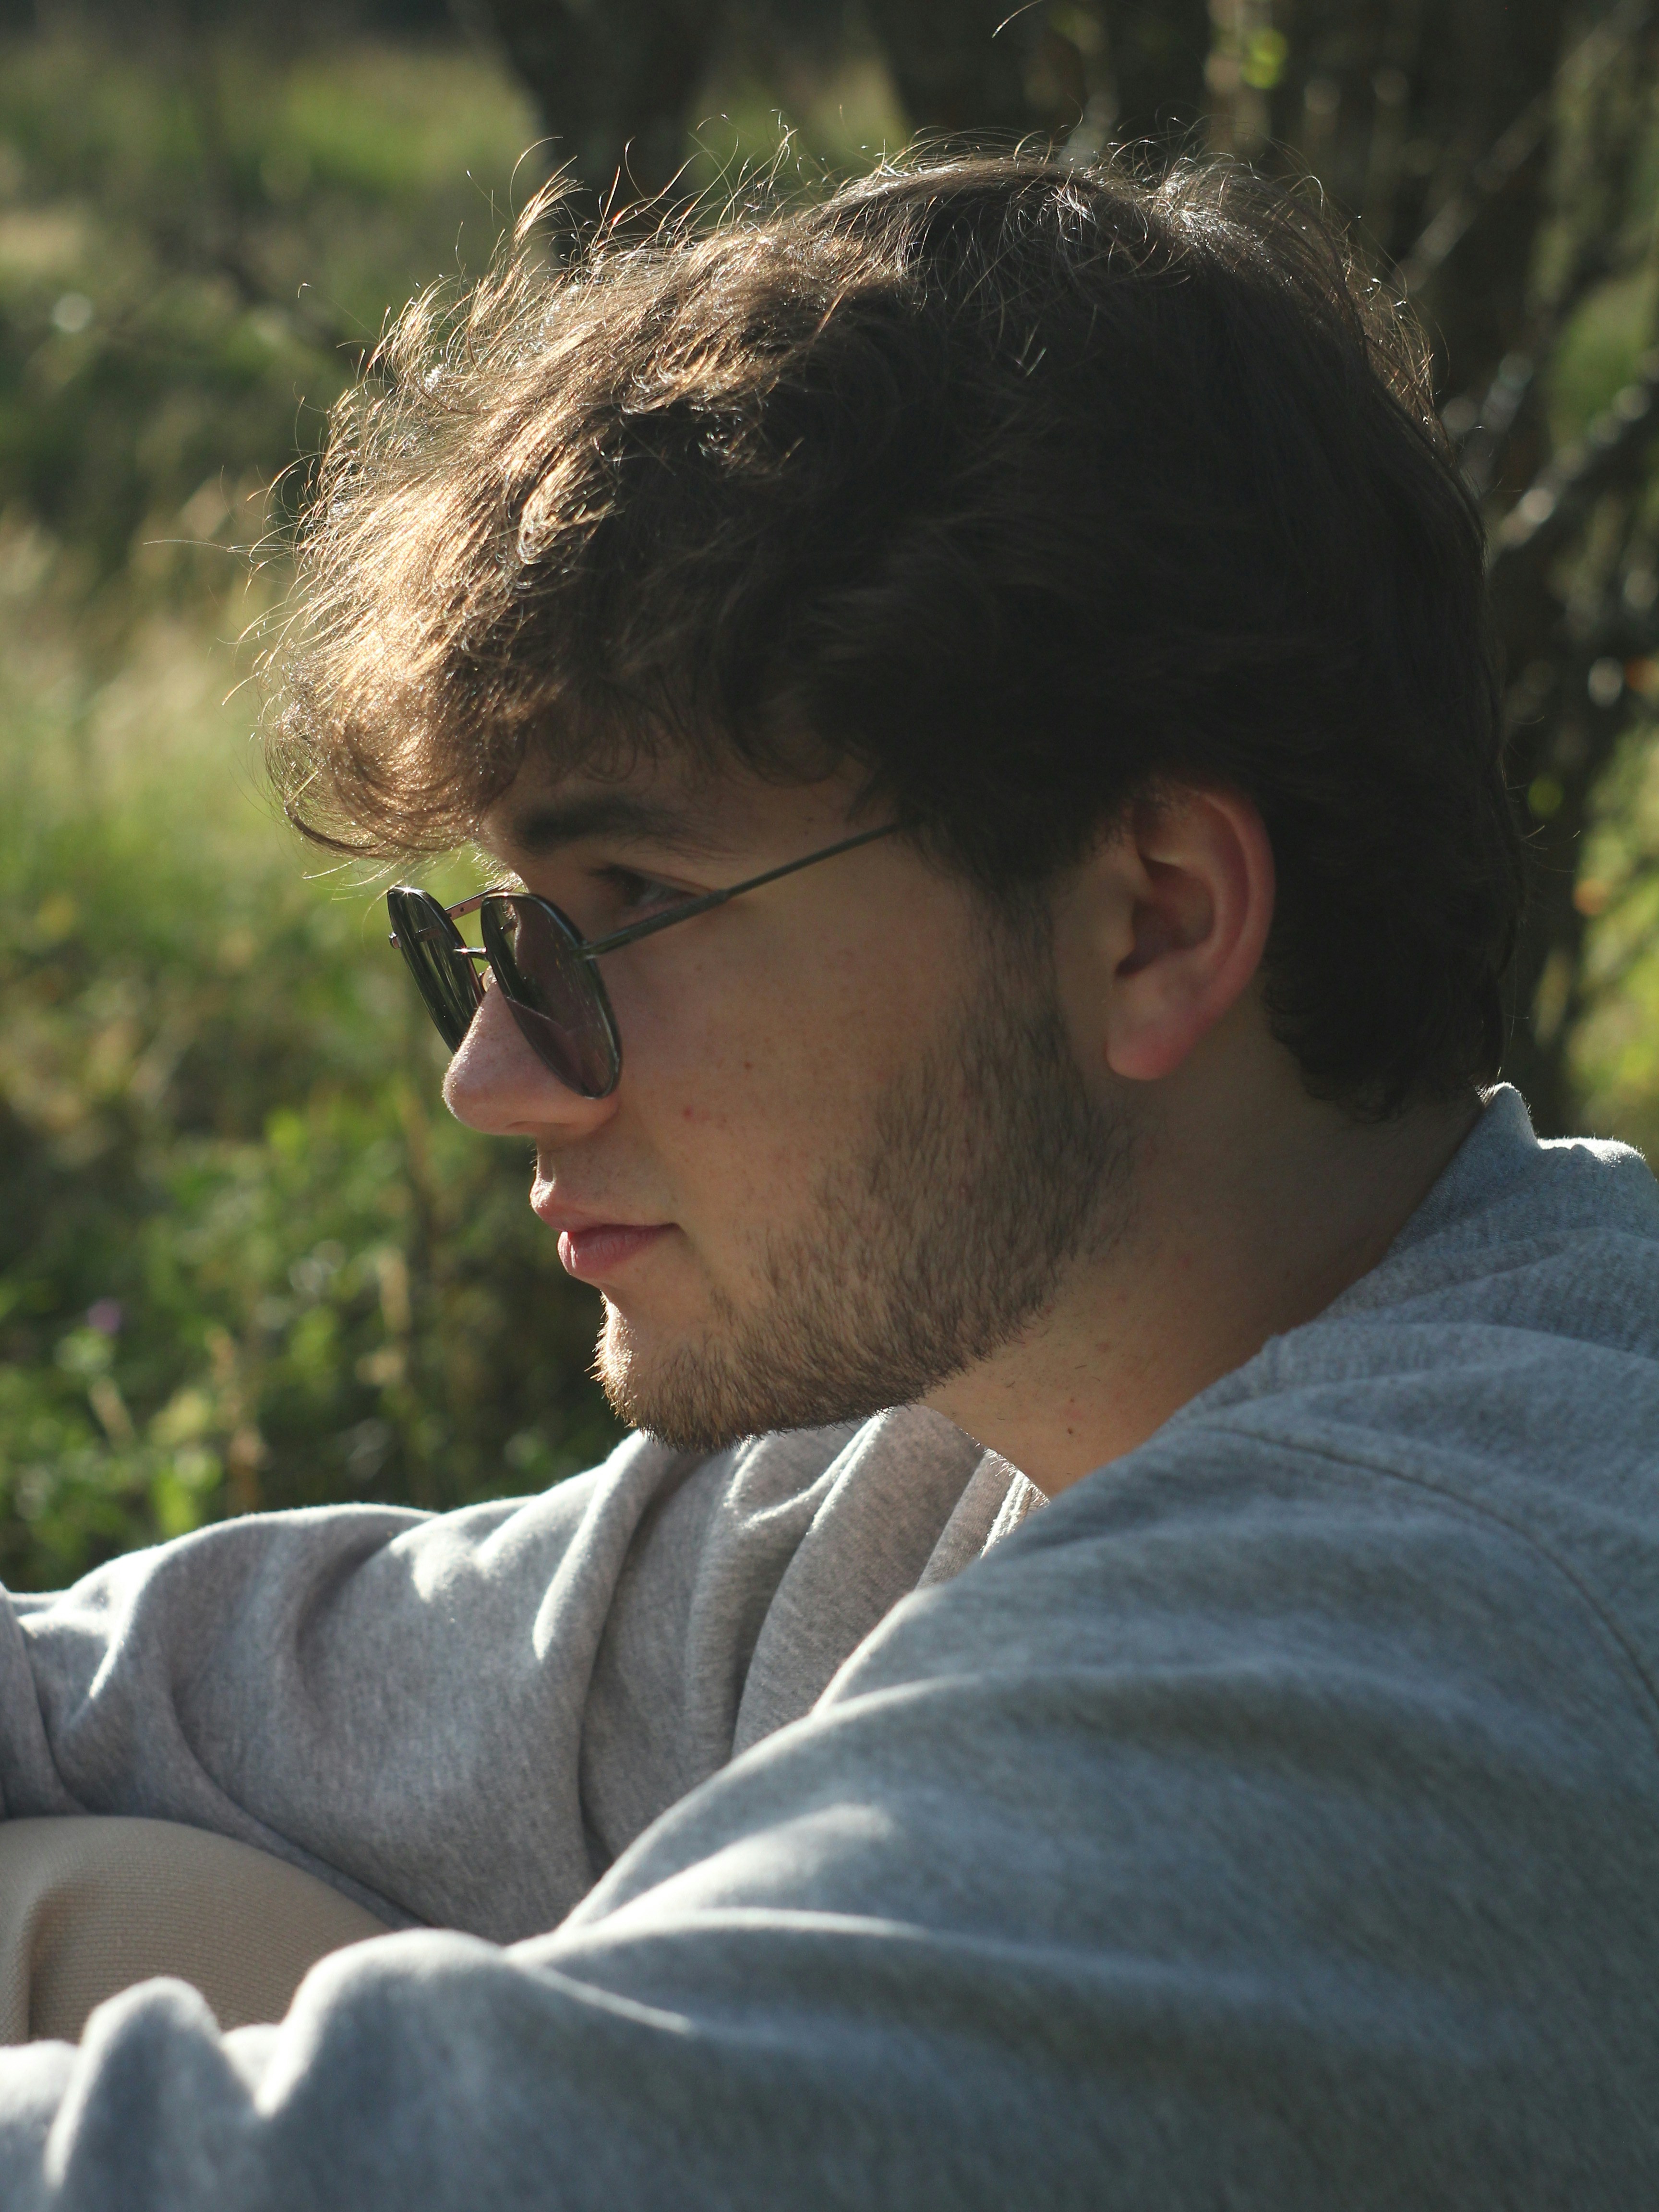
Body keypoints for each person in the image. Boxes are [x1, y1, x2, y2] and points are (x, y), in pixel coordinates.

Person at [0, 149, 1654, 2208]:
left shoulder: (1433, 1663)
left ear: (1150, 919)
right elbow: (165, 1701)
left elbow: (419, 2168)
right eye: (493, 940)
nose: (494, 1080)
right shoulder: (959, 1451)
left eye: (619, 915)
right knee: (76, 1891)